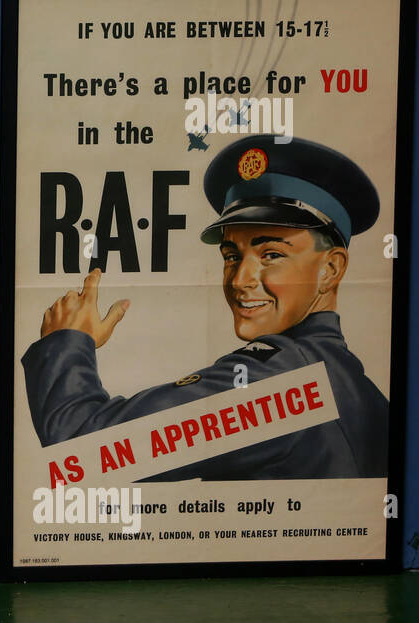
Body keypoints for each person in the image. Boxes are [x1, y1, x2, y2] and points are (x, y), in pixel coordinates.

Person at [21, 135, 389, 481]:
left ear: (332, 268)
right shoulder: (362, 390)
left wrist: (66, 342)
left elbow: (79, 449)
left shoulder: (278, 376)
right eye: (232, 255)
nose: (240, 279)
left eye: (272, 254)